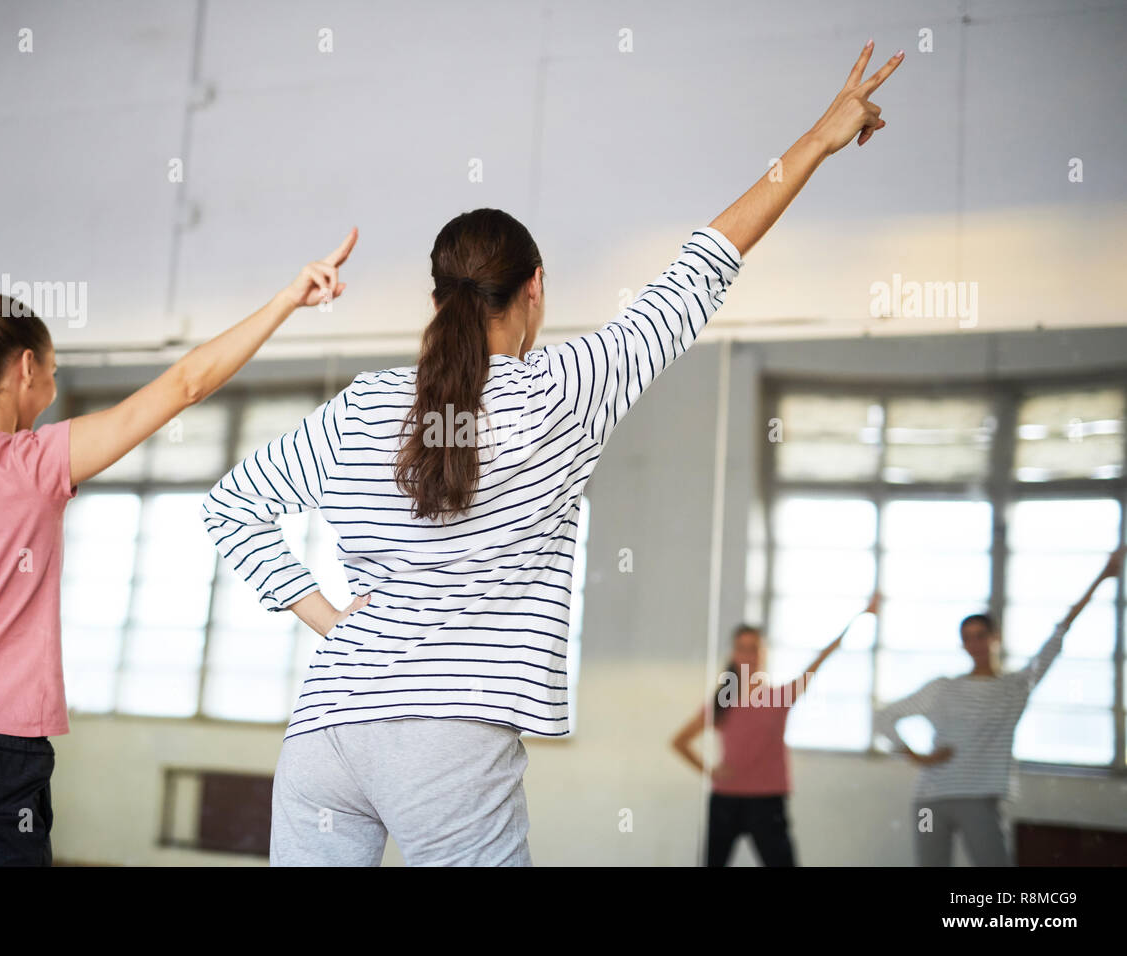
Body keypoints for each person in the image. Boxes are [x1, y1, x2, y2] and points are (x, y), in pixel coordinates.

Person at [201, 42, 906, 866]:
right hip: (451, 739)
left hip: (325, 731)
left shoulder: (365, 403)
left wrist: (330, 620)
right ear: (535, 286)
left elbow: (230, 507)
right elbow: (703, 266)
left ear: (438, 298)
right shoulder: (567, 388)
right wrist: (821, 136)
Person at [0, 231, 357, 865]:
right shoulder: (33, 462)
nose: (51, 387)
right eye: (51, 373)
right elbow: (185, 384)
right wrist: (286, 299)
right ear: (26, 368)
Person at [874, 546, 1124, 867]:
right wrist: (915, 755)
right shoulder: (942, 688)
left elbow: (1058, 635)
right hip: (927, 804)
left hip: (979, 800)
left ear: (995, 637)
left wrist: (1103, 577)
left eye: (980, 635)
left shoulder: (1014, 688)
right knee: (929, 862)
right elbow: (884, 718)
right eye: (967, 638)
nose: (974, 644)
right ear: (962, 644)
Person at [671, 596, 879, 866]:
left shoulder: (780, 697)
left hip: (767, 803)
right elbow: (679, 742)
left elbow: (821, 659)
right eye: (742, 648)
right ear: (734, 654)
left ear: (763, 653)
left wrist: (860, 617)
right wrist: (710, 771)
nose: (748, 654)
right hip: (726, 801)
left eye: (754, 648)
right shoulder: (722, 702)